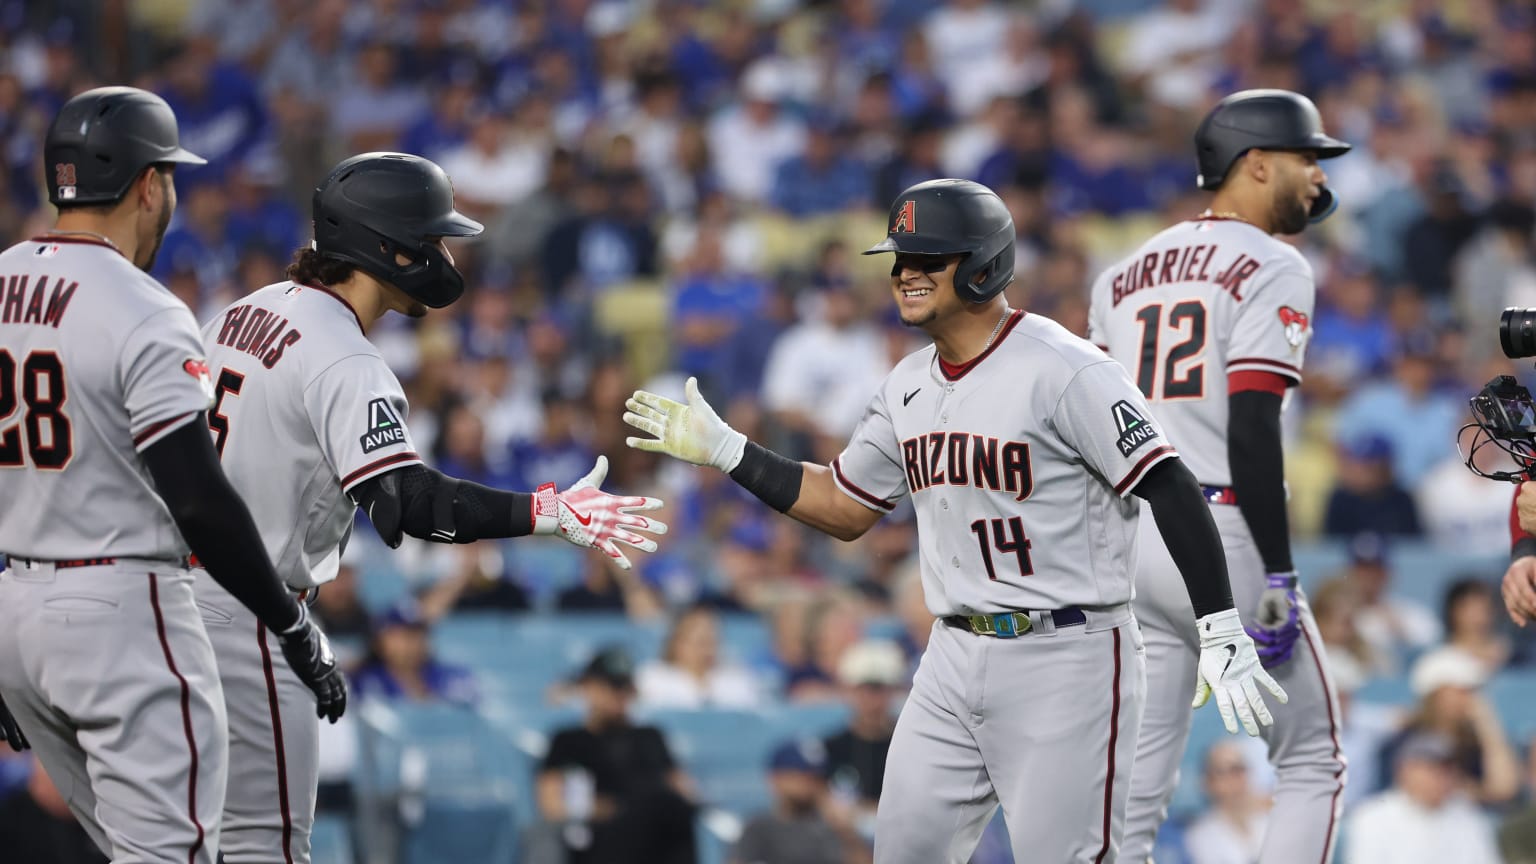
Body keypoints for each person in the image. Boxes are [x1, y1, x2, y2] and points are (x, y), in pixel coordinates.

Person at [624, 178, 1283, 862]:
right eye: (899, 260)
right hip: (952, 652)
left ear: (982, 264)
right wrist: (731, 451)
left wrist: (1217, 622)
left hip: (1070, 653)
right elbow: (844, 506)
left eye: (925, 259)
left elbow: (1170, 484)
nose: (904, 274)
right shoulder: (907, 383)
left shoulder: (1063, 368)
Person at [194, 151, 669, 863]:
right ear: (385, 244)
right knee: (267, 848)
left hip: (177, 595)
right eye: (430, 238)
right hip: (250, 609)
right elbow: (409, 506)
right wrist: (549, 513)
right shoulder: (347, 359)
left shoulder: (244, 309)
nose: (442, 255)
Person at [0, 86, 343, 864]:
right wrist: (289, 625)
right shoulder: (141, 306)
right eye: (171, 179)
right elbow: (195, 495)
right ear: (148, 185)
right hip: (120, 613)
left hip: (15, 612)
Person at [1087, 88, 1350, 864]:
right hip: (1221, 531)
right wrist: (1279, 566)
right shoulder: (1273, 261)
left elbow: (1092, 433)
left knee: (1132, 791)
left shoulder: (1119, 275)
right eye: (1306, 158)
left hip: (1133, 543)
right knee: (1311, 760)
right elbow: (1252, 420)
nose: (1317, 176)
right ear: (1256, 163)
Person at [536, 646, 697, 864]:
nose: (620, 694)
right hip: (600, 837)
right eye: (612, 686)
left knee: (674, 813)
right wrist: (610, 809)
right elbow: (552, 805)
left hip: (657, 833)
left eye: (625, 686)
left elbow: (682, 789)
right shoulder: (569, 740)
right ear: (588, 687)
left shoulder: (650, 736)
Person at [1344, 731, 1501, 864]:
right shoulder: (1373, 817)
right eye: (1431, 768)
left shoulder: (1469, 816)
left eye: (1447, 769)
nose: (1441, 777)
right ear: (1404, 771)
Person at [731, 739, 870, 864]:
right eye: (801, 776)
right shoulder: (760, 827)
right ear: (776, 778)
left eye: (816, 777)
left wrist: (847, 833)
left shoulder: (833, 827)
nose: (809, 784)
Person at [637, 604, 763, 709]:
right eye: (699, 641)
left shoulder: (737, 681)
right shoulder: (652, 677)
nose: (706, 649)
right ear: (676, 641)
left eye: (712, 640)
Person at [1183, 741, 1269, 864]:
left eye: (1240, 769)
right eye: (1225, 771)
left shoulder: (1267, 821)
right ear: (1208, 782)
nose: (1236, 778)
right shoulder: (1199, 837)